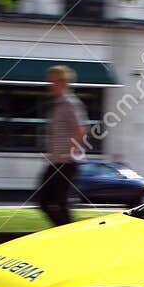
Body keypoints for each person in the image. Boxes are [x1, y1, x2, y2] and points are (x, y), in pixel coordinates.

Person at [35, 64, 89, 225]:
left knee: (55, 203)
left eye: (52, 82)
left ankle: (69, 238)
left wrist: (69, 153)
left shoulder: (70, 103)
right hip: (55, 162)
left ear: (63, 82)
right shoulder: (58, 104)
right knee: (49, 203)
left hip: (65, 163)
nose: (50, 85)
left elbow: (81, 130)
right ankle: (65, 235)